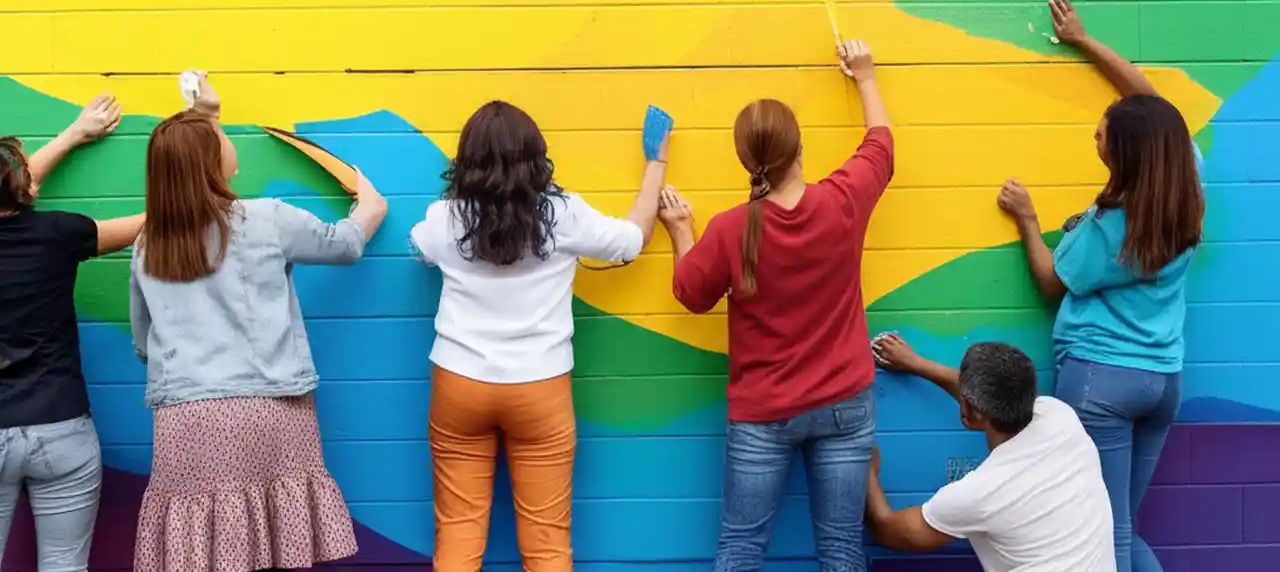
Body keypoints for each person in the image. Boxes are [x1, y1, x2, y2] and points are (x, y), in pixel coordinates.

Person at [129, 74, 388, 572]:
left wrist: (206, 111)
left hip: (186, 422)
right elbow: (345, 245)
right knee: (274, 546)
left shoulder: (148, 245)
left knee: (206, 554)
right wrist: (370, 209)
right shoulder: (266, 218)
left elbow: (145, 343)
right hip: (271, 409)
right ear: (213, 161)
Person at [656, 39, 892, 572]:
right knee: (841, 551)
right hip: (844, 406)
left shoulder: (730, 230)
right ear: (800, 148)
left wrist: (680, 231)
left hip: (764, 414)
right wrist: (866, 76)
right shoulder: (842, 202)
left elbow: (691, 294)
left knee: (740, 551)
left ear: (745, 160)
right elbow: (881, 146)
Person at [409, 101, 668, 572]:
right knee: (547, 544)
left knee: (459, 532)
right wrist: (656, 163)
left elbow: (418, 247)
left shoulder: (446, 217)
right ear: (536, 157)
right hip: (541, 388)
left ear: (467, 160)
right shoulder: (563, 216)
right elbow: (631, 241)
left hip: (460, 385)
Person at [996, 0, 1204, 572]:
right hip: (1162, 380)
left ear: (1128, 155)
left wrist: (1029, 219)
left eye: (1103, 134)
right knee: (1122, 526)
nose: (1096, 135)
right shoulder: (1187, 180)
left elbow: (1048, 282)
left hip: (1101, 384)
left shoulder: (1109, 231)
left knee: (1100, 534)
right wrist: (1084, 42)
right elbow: (1150, 103)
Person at [0, 96, 145, 572]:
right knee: (65, 565)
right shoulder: (59, 234)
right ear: (23, 187)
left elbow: (15, 188)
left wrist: (72, 135)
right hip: (61, 429)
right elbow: (144, 226)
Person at [866, 335, 1115, 572]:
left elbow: (887, 529)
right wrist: (916, 363)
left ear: (969, 413)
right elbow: (994, 400)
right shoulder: (1061, 417)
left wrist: (866, 469)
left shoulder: (977, 494)